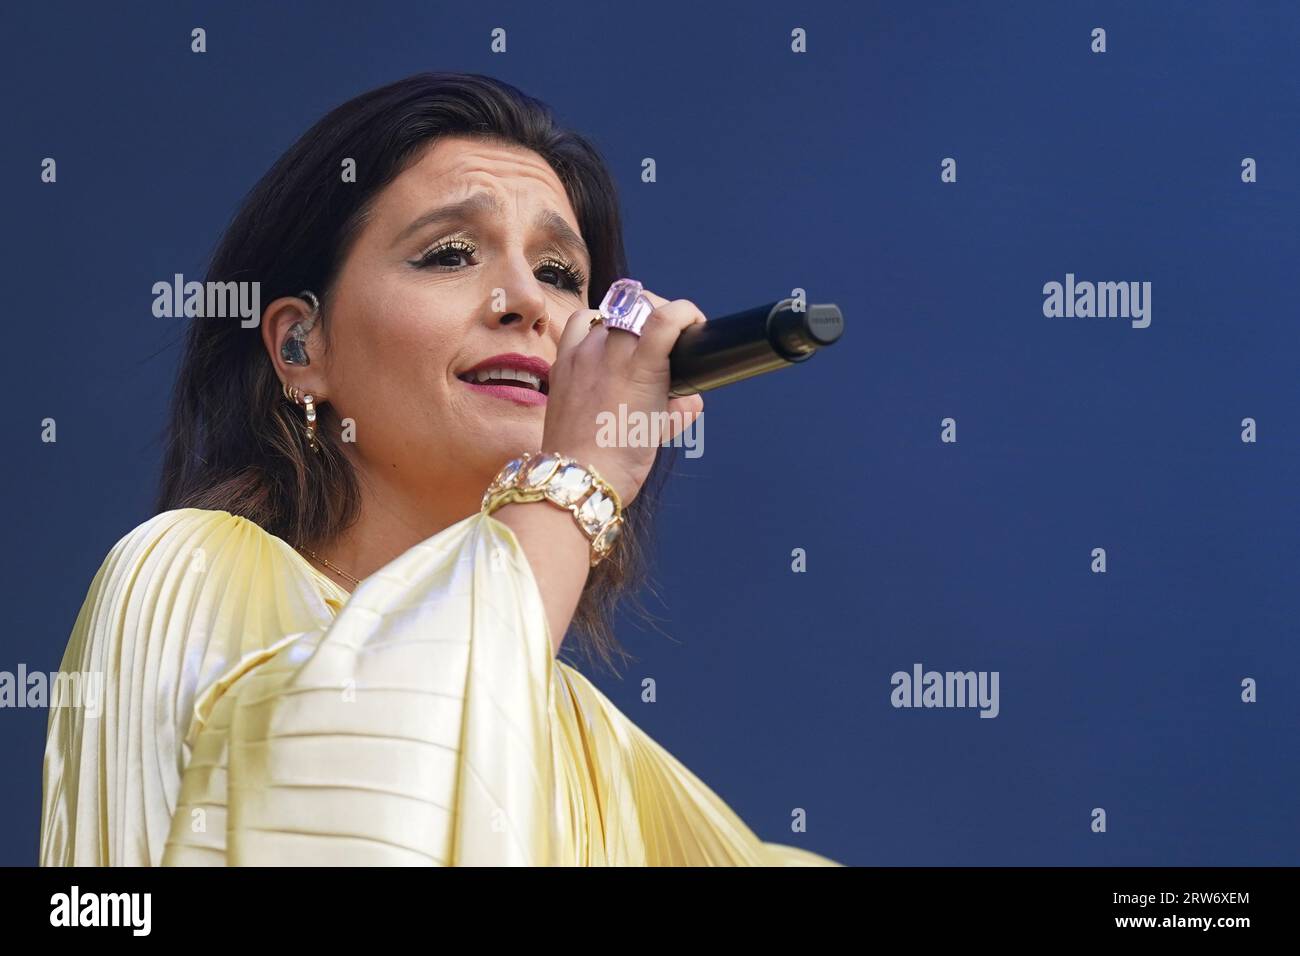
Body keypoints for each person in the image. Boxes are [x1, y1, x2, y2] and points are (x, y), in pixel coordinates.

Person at [38, 72, 842, 866]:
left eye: (562, 275)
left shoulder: (601, 755)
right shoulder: (187, 567)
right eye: (451, 254)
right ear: (299, 347)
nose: (527, 301)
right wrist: (576, 481)